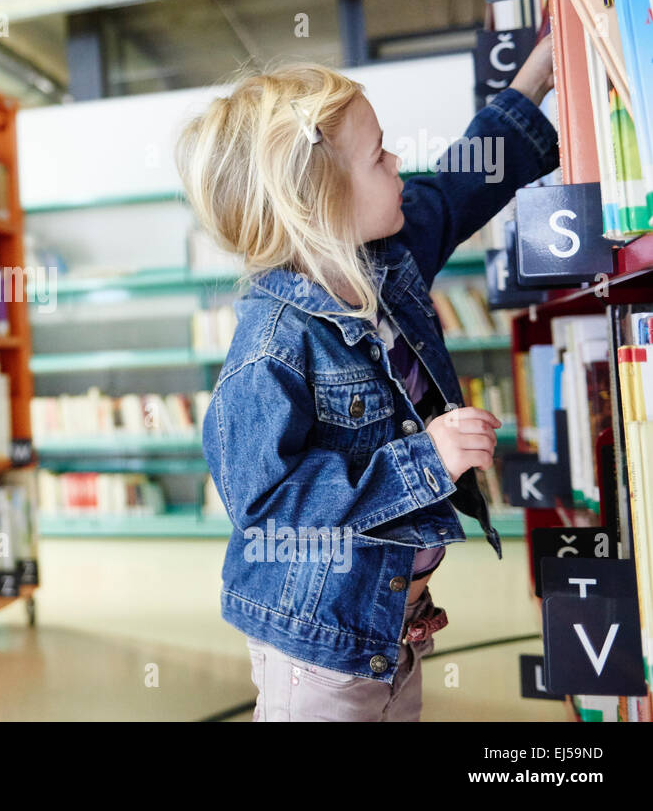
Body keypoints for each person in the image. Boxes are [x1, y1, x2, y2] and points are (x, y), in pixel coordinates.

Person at [176, 39, 557, 720]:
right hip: (318, 646)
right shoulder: (272, 346)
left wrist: (537, 77)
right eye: (379, 155)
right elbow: (269, 508)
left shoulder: (387, 256)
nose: (397, 163)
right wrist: (426, 461)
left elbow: (464, 184)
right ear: (318, 203)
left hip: (392, 626)